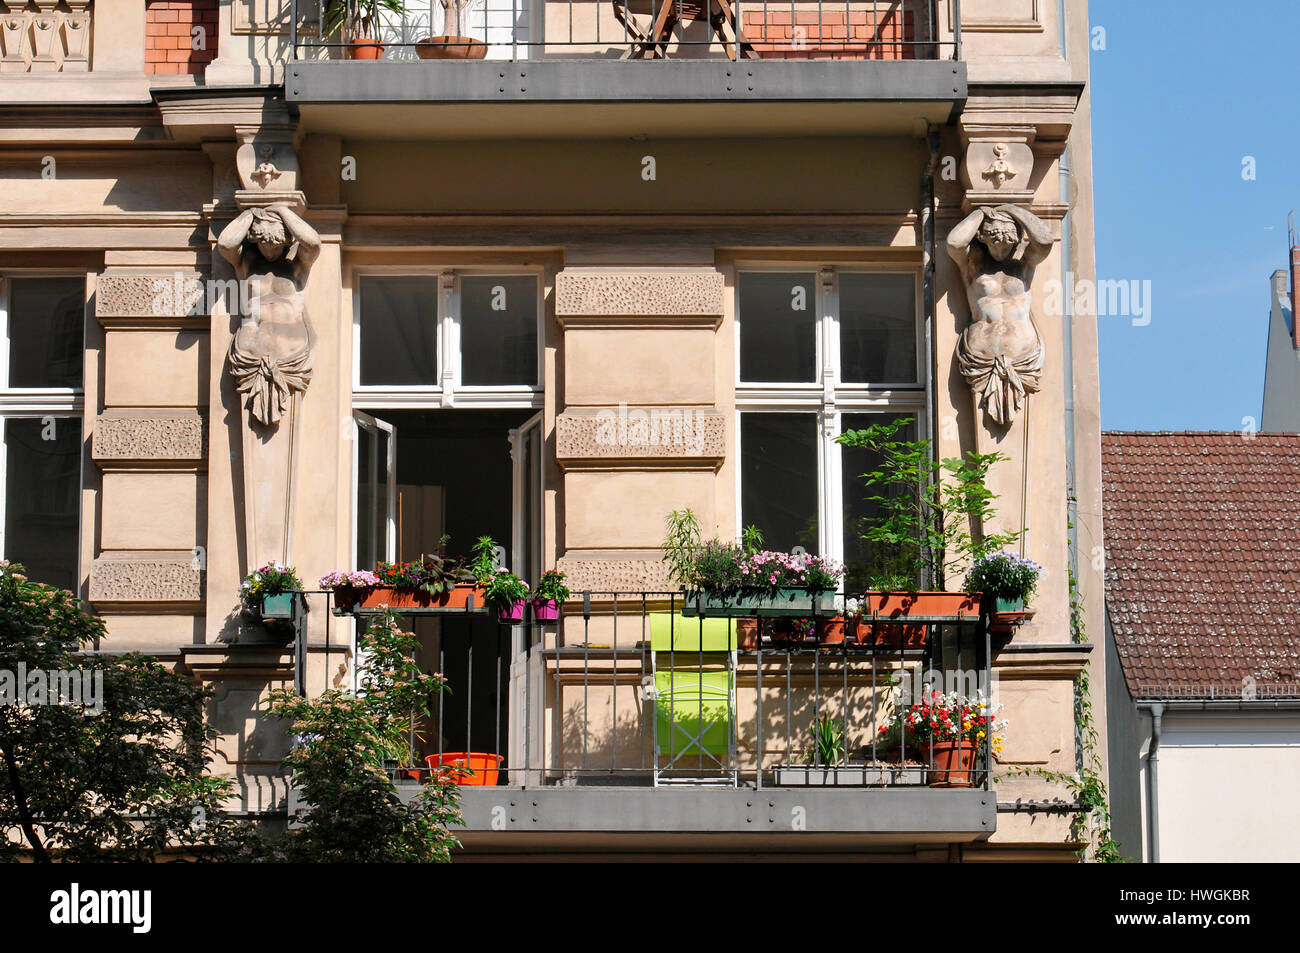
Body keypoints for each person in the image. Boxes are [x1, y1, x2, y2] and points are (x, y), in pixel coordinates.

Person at [946, 204, 1054, 427]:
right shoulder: (972, 264)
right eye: (995, 243)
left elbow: (1044, 242)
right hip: (980, 356)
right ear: (984, 238)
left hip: (1023, 356)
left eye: (1006, 244)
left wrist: (1014, 210)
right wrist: (981, 213)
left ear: (1015, 240)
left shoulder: (1023, 263)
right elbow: (954, 242)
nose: (1000, 251)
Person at [217, 204, 322, 426]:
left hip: (291, 356)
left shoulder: (297, 267)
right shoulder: (246, 265)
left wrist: (284, 211)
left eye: (275, 244)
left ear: (286, 241)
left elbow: (313, 243)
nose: (270, 251)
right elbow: (225, 243)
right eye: (264, 244)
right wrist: (250, 213)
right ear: (256, 240)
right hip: (250, 353)